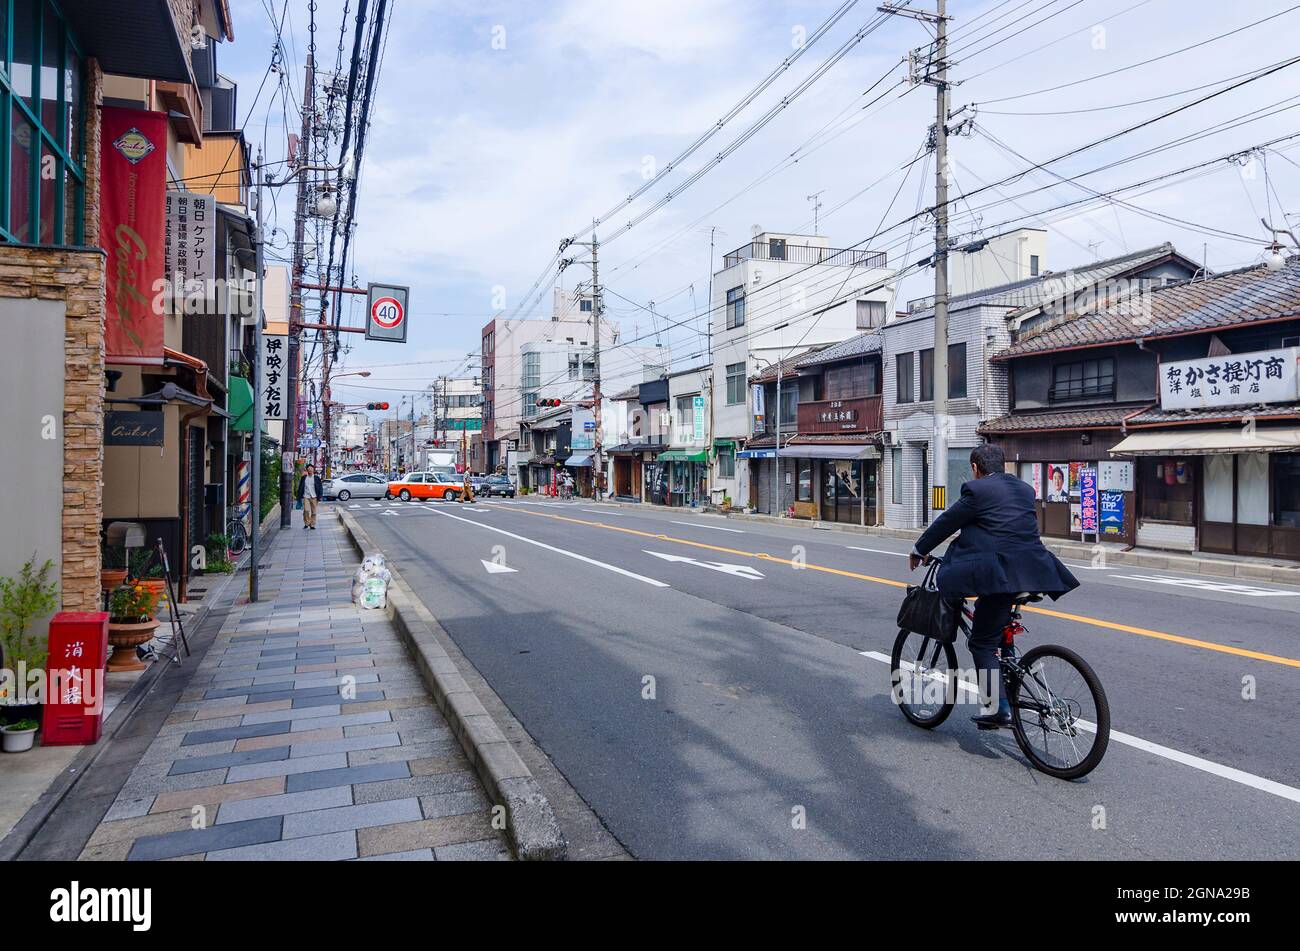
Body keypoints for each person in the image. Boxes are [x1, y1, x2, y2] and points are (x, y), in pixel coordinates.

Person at [908, 444, 1079, 729]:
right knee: (996, 628)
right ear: (1003, 465)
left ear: (976, 468)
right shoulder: (1023, 490)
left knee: (980, 642)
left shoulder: (977, 492)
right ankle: (1009, 676)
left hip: (1003, 574)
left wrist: (919, 549)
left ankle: (997, 707)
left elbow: (947, 522)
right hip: (1036, 571)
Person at [296, 464, 323, 530]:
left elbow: (320, 488)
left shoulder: (317, 478)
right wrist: (298, 496)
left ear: (313, 470)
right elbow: (300, 487)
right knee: (306, 510)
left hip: (314, 496)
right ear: (307, 470)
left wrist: (320, 496)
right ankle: (307, 523)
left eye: (311, 469)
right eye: (309, 469)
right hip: (306, 496)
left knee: (314, 512)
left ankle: (312, 525)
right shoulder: (304, 478)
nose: (310, 471)